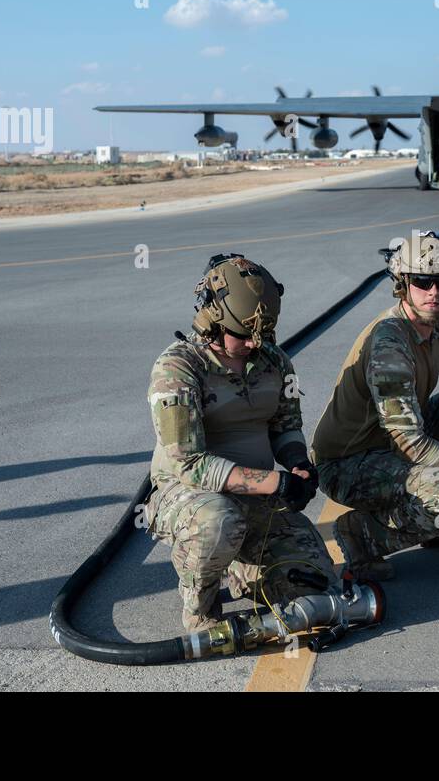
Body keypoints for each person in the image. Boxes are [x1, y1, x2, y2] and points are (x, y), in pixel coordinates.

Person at [310, 230, 439, 580]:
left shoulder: (436, 328)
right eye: (422, 281)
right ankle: (361, 534)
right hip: (349, 462)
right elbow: (410, 442)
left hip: (390, 442)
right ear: (403, 283)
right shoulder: (390, 342)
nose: (433, 292)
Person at [144, 253, 332, 630]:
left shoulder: (275, 362)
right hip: (187, 495)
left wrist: (297, 463)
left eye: (262, 335)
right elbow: (190, 463)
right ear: (211, 321)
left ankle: (245, 570)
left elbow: (286, 426)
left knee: (317, 583)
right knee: (218, 522)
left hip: (257, 496)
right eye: (243, 336)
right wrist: (277, 483)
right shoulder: (178, 368)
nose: (253, 344)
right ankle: (200, 604)